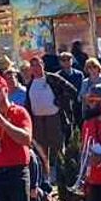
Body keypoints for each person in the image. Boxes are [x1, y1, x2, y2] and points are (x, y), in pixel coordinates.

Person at [25, 56, 78, 187]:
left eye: (38, 64)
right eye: (33, 66)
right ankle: (46, 180)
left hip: (54, 118)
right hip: (37, 120)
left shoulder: (53, 78)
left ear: (43, 65)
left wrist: (60, 102)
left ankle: (64, 178)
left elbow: (72, 90)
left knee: (59, 149)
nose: (36, 68)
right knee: (41, 151)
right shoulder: (30, 83)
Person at [57, 51, 86, 125]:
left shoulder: (79, 74)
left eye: (69, 59)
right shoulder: (57, 76)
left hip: (78, 104)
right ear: (60, 62)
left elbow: (82, 89)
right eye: (64, 60)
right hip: (65, 106)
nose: (67, 61)